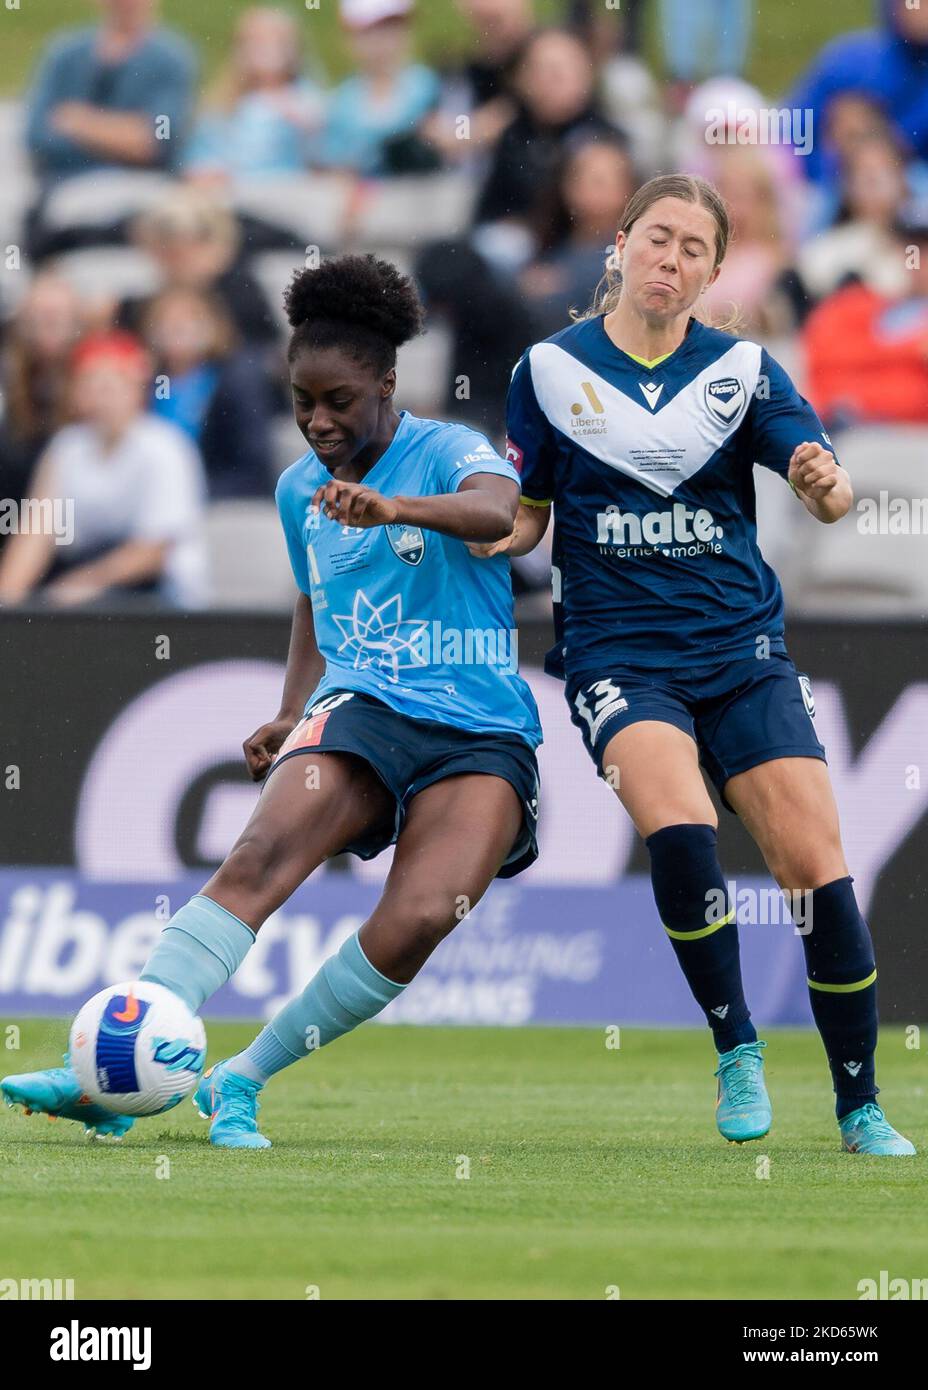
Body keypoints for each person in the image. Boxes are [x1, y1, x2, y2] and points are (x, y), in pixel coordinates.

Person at [1, 255, 542, 1149]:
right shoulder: (299, 491)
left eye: (339, 400)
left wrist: (396, 508)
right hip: (363, 703)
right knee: (257, 856)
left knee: (414, 922)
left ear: (387, 383)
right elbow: (312, 598)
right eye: (302, 400)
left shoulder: (449, 450)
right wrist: (296, 709)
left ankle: (239, 1081)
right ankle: (113, 1070)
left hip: (479, 725)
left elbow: (501, 514)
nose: (318, 422)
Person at [478, 173, 915, 1157]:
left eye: (692, 250)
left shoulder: (744, 370)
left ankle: (858, 1105)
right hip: (615, 654)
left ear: (715, 270)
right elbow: (531, 515)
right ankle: (736, 1047)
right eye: (657, 239)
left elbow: (828, 492)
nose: (669, 261)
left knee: (816, 873)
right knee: (681, 830)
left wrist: (822, 479)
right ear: (619, 244)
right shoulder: (547, 370)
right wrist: (475, 536)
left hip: (741, 650)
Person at [0, 331, 207, 610]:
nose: (101, 396)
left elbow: (154, 552)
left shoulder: (166, 447)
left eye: (110, 385)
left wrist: (85, 584)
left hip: (161, 597)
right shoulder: (66, 447)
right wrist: (8, 603)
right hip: (82, 585)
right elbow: (35, 534)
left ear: (136, 388)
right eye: (90, 384)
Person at [23, 0, 196, 183]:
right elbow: (37, 136)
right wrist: (126, 135)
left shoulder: (172, 60)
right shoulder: (65, 54)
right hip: (66, 185)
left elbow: (159, 140)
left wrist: (78, 121)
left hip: (139, 187)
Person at [140, 285, 277, 498]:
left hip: (216, 501)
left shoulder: (235, 382)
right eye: (165, 323)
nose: (176, 330)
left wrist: (193, 493)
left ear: (212, 326)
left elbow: (253, 467)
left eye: (188, 321)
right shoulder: (146, 383)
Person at [801, 203, 928, 429]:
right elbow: (822, 364)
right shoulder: (858, 303)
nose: (920, 259)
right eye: (916, 247)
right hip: (849, 438)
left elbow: (916, 399)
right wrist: (910, 353)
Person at [184, 6, 325, 182]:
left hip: (286, 196)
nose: (268, 50)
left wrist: (308, 127)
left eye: (277, 42)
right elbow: (199, 156)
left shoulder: (307, 102)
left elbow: (323, 158)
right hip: (232, 197)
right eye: (257, 42)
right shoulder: (222, 105)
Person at [313, 0, 442, 177]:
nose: (381, 41)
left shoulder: (427, 85)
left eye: (391, 28)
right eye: (370, 32)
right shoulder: (341, 102)